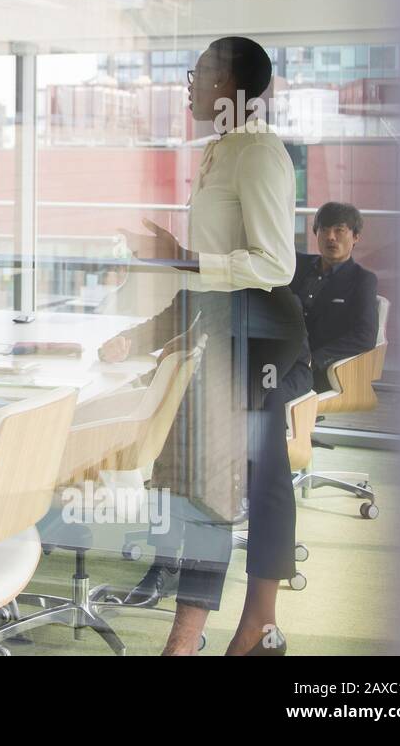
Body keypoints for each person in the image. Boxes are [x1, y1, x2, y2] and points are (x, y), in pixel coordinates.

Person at [101, 36, 310, 655]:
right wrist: (145, 333)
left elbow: (274, 263)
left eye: (201, 72)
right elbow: (208, 281)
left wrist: (184, 258)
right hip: (229, 328)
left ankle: (220, 629)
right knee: (213, 477)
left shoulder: (260, 153)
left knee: (243, 476)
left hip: (264, 333)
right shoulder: (221, 150)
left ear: (233, 85)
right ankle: (229, 628)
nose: (189, 83)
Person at [290, 202, 380, 392]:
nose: (331, 237)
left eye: (339, 230)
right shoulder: (297, 265)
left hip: (319, 371)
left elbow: (364, 337)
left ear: (355, 237)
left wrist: (314, 360)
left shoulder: (362, 280)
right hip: (281, 358)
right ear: (316, 233)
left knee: (267, 394)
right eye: (324, 229)